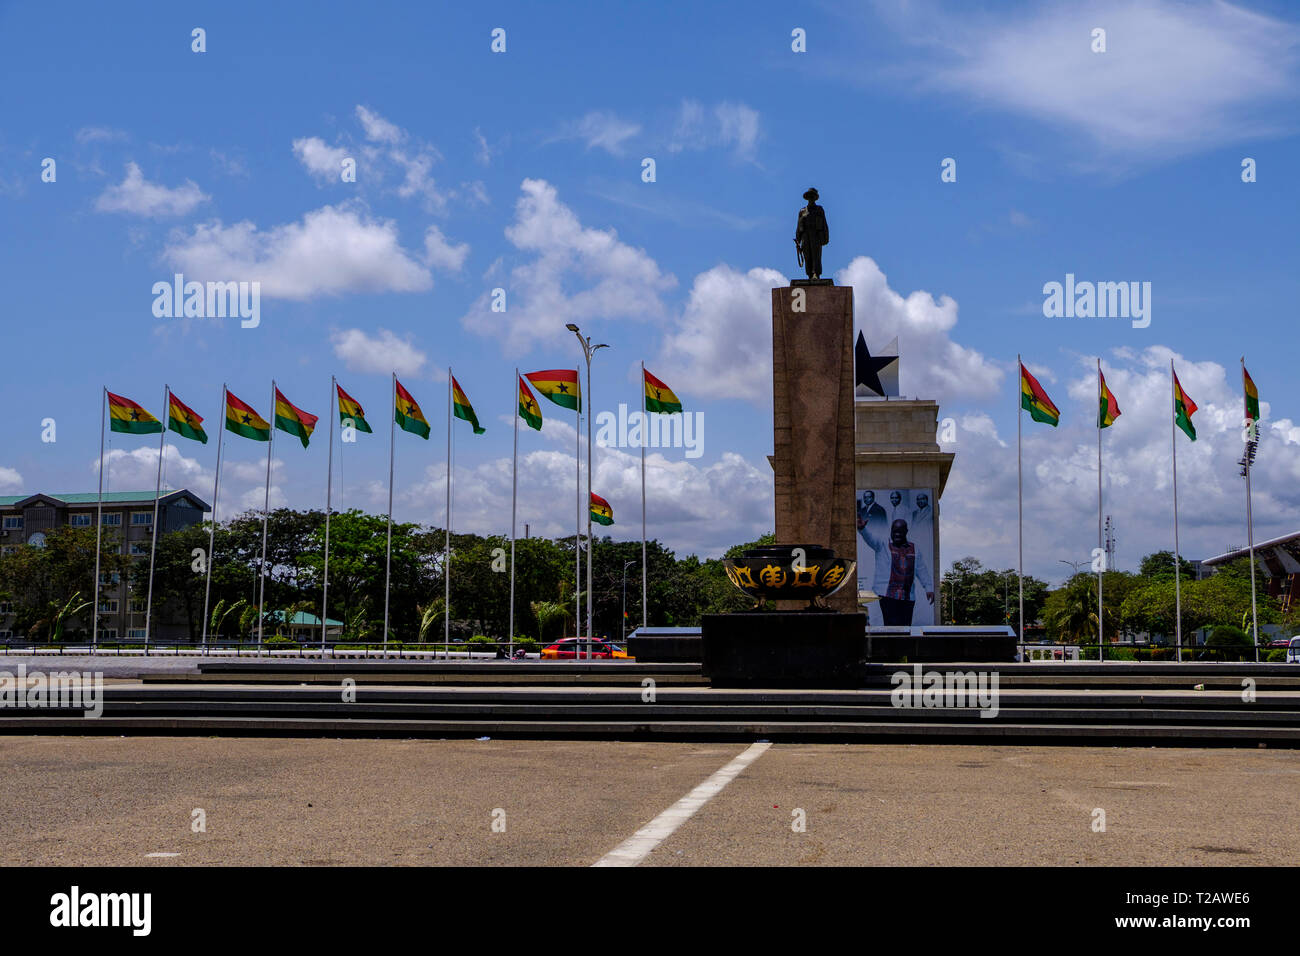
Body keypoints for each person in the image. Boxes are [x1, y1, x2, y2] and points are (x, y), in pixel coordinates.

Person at [859, 518, 934, 626]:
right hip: (887, 595)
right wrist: (863, 529)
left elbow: (921, 570)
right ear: (891, 531)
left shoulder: (914, 549)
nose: (897, 535)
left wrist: (929, 588)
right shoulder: (882, 544)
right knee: (890, 627)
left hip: (907, 597)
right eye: (894, 531)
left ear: (906, 532)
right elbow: (870, 539)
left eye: (900, 532)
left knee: (905, 627)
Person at [794, 187, 829, 280]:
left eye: (812, 196)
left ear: (815, 198)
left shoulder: (819, 209)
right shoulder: (802, 211)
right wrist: (798, 240)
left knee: (816, 255)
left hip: (816, 235)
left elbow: (824, 224)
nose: (811, 198)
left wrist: (825, 237)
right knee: (807, 255)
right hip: (805, 235)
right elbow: (798, 227)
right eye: (810, 196)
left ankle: (816, 273)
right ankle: (809, 273)